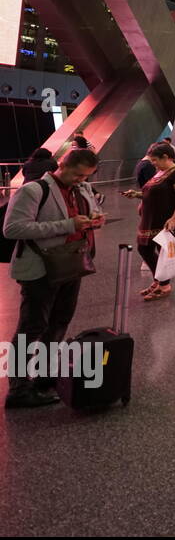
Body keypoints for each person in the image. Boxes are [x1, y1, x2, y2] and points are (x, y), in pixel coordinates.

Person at [3, 148, 104, 408]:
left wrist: (94, 219)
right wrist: (69, 225)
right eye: (78, 174)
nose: (81, 180)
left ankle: (44, 376)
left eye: (86, 176)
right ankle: (18, 388)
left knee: (59, 322)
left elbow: (89, 213)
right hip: (40, 268)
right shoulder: (35, 190)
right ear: (62, 164)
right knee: (31, 327)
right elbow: (12, 228)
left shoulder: (81, 189)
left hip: (71, 263)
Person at [136, 142, 175, 301]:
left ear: (166, 157)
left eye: (155, 160)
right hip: (150, 218)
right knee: (144, 248)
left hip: (165, 218)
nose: (152, 163)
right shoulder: (160, 171)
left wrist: (173, 219)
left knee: (162, 252)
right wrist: (139, 196)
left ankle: (164, 285)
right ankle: (158, 280)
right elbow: (154, 192)